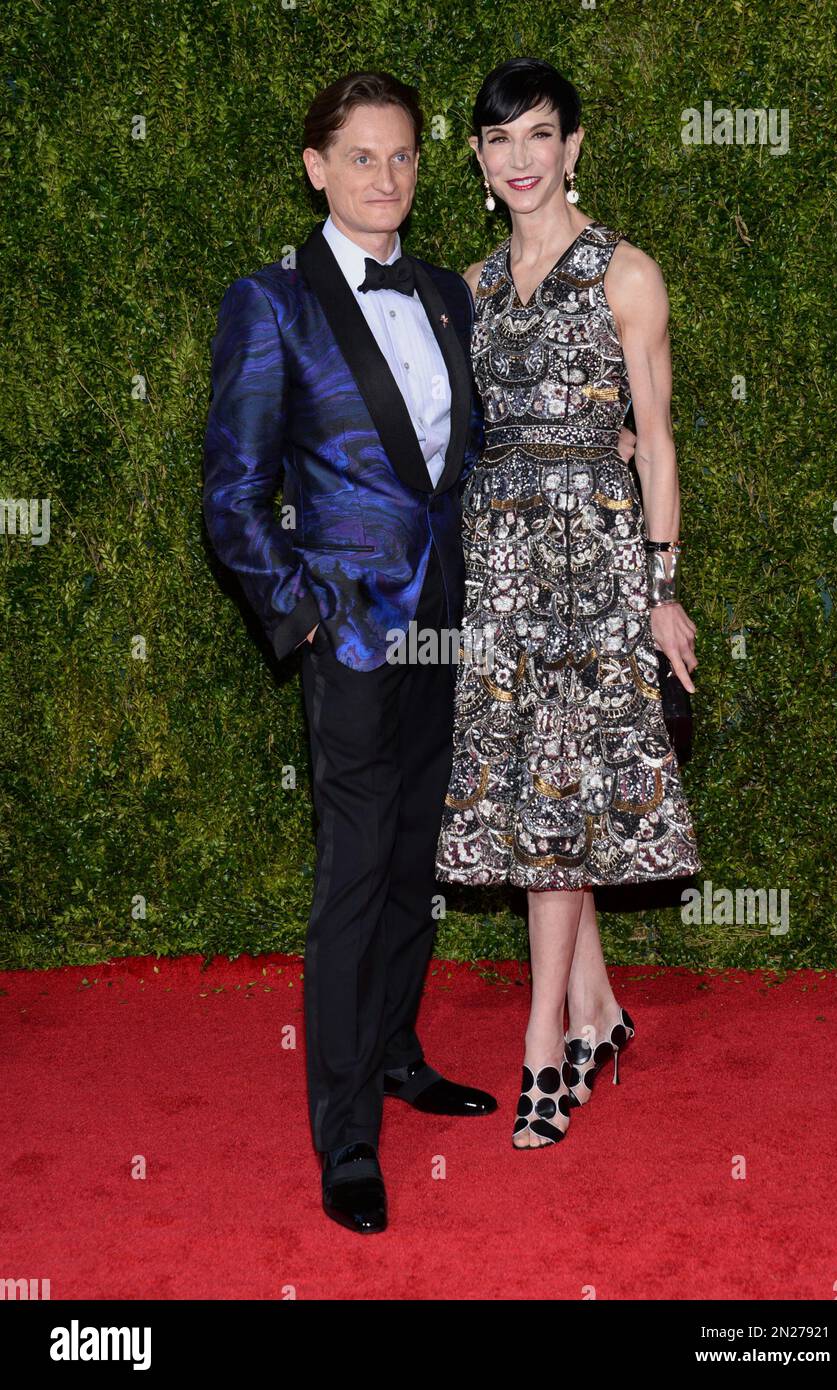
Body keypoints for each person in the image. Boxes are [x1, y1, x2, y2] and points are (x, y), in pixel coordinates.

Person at [202, 71, 501, 1234]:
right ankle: (345, 1136)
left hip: (446, 623)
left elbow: (454, 465)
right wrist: (304, 611)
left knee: (417, 857)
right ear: (316, 167)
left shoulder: (442, 293)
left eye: (405, 157)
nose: (387, 177)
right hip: (354, 636)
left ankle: (393, 1053)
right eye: (363, 157)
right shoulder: (270, 302)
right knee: (354, 872)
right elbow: (232, 494)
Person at [435, 58, 702, 1149]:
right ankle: (596, 1009)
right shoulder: (470, 286)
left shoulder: (624, 274)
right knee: (543, 788)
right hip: (498, 567)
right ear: (479, 160)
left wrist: (663, 589)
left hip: (593, 571)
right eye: (499, 140)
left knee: (556, 791)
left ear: (574, 145)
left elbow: (659, 439)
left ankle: (544, 1041)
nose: (521, 157)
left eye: (539, 134)